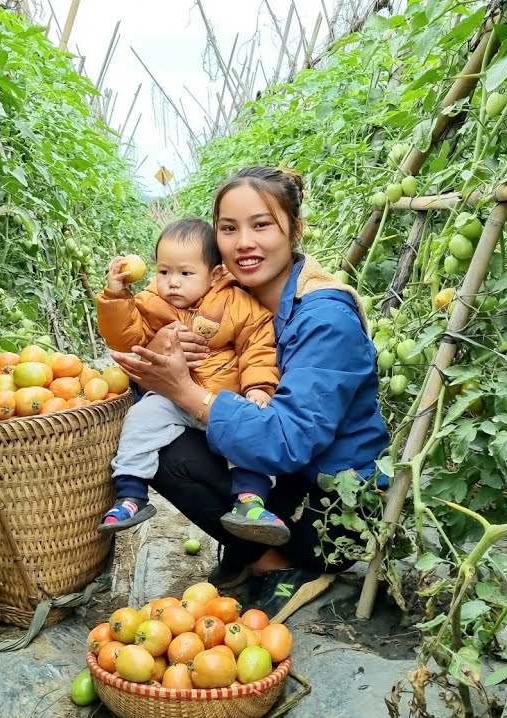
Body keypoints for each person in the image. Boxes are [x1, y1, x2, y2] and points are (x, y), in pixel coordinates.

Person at [110, 167, 389, 623]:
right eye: (228, 228)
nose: (244, 242)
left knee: (185, 425)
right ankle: (253, 552)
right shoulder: (229, 299)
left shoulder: (324, 319)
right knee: (150, 435)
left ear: (295, 230)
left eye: (261, 225)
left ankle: (286, 565)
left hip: (332, 514)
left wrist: (186, 389)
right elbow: (151, 370)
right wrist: (167, 353)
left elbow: (287, 440)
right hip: (287, 485)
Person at [96, 217, 292, 545]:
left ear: (214, 274)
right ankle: (131, 494)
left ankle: (250, 500)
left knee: (249, 429)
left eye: (185, 274)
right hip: (173, 399)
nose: (172, 283)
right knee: (140, 417)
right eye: (163, 272)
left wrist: (258, 386)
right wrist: (116, 297)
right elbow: (124, 337)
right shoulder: (148, 304)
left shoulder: (235, 304)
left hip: (221, 399)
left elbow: (257, 346)